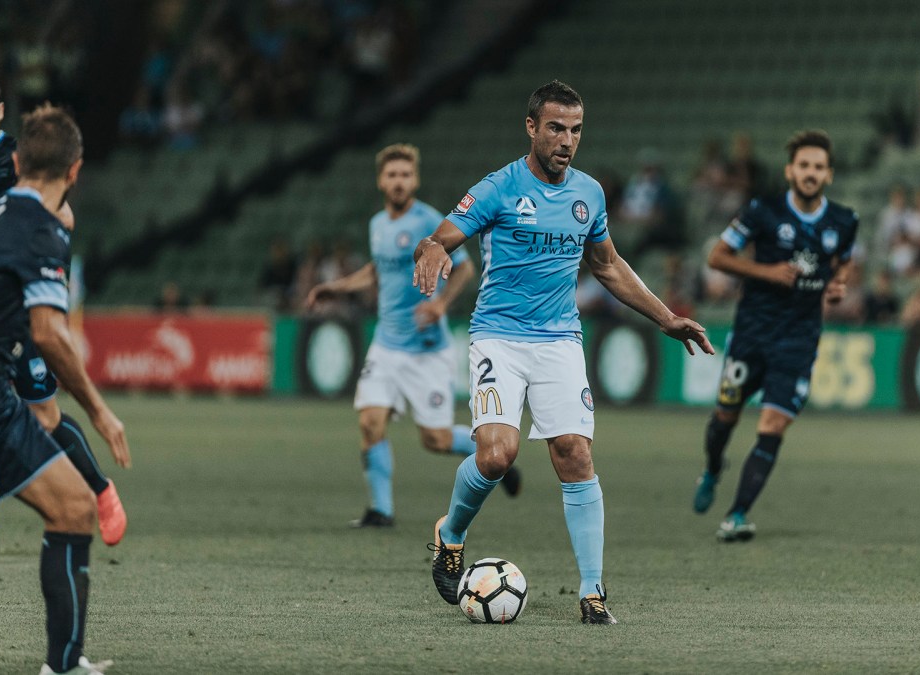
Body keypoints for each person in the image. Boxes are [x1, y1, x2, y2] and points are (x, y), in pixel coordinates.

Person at [413, 81, 713, 624]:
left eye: (575, 130)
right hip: (499, 337)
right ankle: (451, 534)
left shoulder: (589, 194)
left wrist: (666, 317)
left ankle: (592, 591)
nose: (566, 140)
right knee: (497, 456)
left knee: (573, 452)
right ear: (532, 127)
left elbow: (607, 265)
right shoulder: (498, 187)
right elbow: (443, 235)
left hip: (558, 340)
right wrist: (432, 249)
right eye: (556, 128)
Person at [0, 104, 131, 675]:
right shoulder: (42, 228)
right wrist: (103, 414)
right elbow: (49, 333)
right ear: (76, 171)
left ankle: (62, 667)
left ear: (15, 160)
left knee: (75, 507)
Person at [305, 143, 519, 529]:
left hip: (425, 349)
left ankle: (494, 454)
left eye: (405, 175)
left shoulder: (430, 221)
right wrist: (335, 288)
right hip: (386, 345)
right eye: (392, 175)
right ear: (381, 181)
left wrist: (441, 305)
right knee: (370, 422)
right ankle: (381, 511)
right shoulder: (377, 225)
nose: (399, 181)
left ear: (415, 179)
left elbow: (466, 269)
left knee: (434, 440)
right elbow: (377, 270)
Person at [691, 129, 859, 541]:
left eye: (818, 167)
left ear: (829, 175)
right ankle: (713, 467)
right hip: (752, 334)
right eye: (804, 165)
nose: (810, 173)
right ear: (790, 170)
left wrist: (837, 286)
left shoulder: (844, 220)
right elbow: (717, 256)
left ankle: (737, 514)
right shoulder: (762, 211)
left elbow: (842, 264)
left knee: (773, 423)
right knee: (725, 418)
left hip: (799, 340)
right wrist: (766, 272)